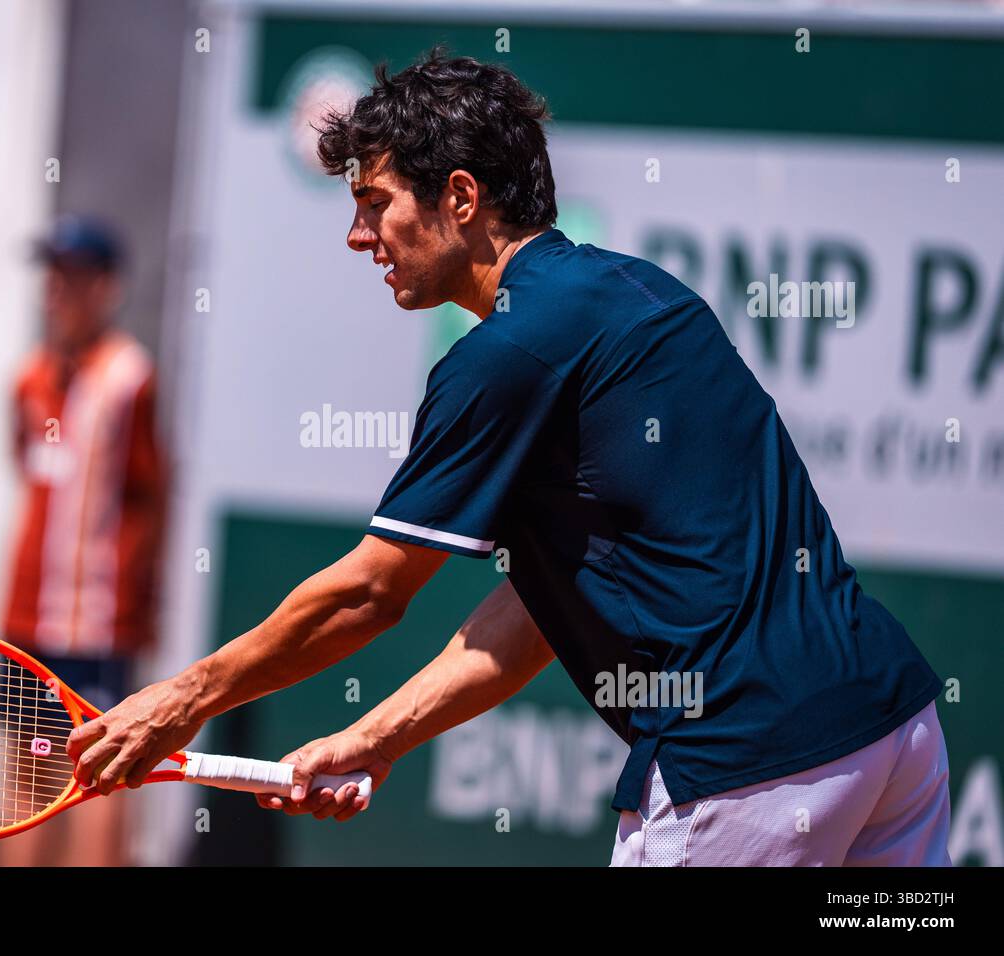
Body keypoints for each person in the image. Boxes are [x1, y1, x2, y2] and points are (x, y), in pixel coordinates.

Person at [69, 52, 950, 866]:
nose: (357, 235)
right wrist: (379, 735)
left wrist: (181, 699)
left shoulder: (507, 353)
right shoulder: (646, 294)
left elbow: (370, 594)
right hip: (893, 735)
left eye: (375, 203)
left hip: (748, 761)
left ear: (459, 196)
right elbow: (541, 605)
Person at [0, 215, 167, 866]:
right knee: (23, 771)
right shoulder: (27, 378)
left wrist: (137, 607)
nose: (56, 294)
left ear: (105, 288)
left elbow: (152, 498)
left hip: (100, 621)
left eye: (71, 279)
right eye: (51, 279)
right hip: (27, 614)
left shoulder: (130, 379)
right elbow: (28, 473)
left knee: (99, 779)